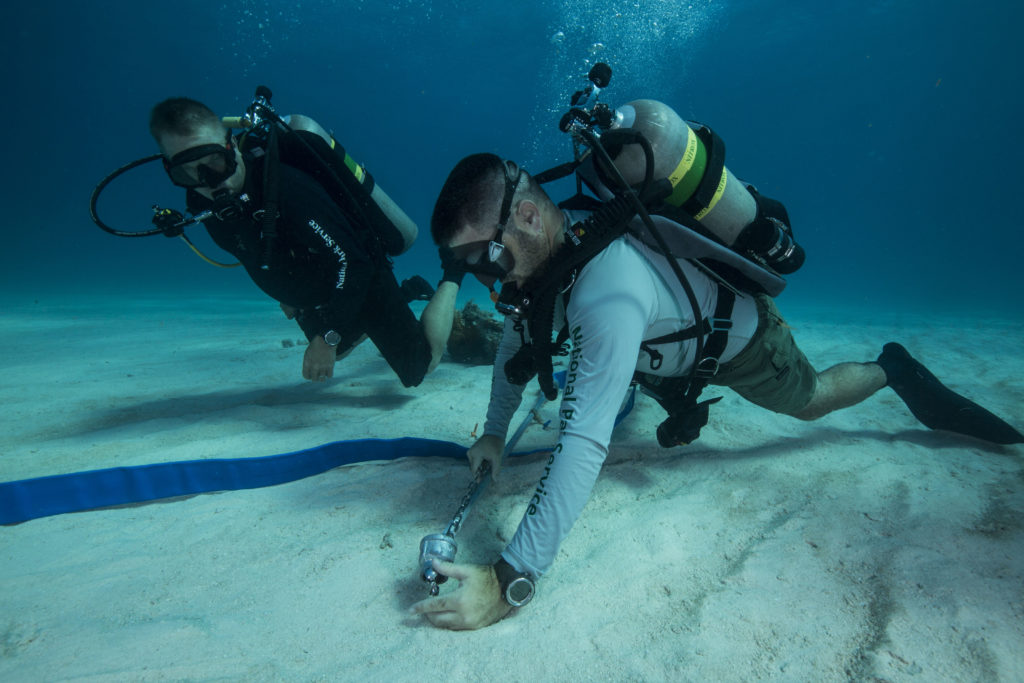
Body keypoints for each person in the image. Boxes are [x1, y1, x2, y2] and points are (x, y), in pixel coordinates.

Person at [410, 153, 1023, 630]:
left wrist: (511, 578)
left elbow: (582, 445)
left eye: (488, 259)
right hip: (666, 350)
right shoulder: (541, 269)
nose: (487, 282)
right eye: (470, 269)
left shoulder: (605, 288)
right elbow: (516, 346)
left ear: (527, 216)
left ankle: (893, 368)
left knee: (811, 399)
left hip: (740, 344)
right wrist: (494, 430)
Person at [149, 97, 465, 387]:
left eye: (214, 163)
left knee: (418, 369)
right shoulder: (201, 202)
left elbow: (352, 262)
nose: (209, 182)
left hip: (360, 273)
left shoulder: (289, 190)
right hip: (314, 282)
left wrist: (326, 337)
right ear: (169, 171)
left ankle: (454, 271)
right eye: (188, 174)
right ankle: (401, 296)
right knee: (338, 350)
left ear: (231, 146)